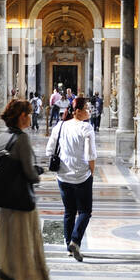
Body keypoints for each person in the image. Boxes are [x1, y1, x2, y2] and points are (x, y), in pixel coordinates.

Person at [0, 99, 55, 280]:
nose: (30, 117)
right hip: (21, 205)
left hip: (2, 204)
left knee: (1, 248)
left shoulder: (0, 138)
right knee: (26, 247)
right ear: (22, 116)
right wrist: (38, 172)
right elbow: (30, 174)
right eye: (29, 114)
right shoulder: (22, 139)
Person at [46, 94, 96, 261]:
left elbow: (49, 150)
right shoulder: (86, 128)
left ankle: (69, 245)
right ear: (79, 111)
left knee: (69, 211)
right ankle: (75, 240)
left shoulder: (60, 126)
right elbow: (90, 155)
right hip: (82, 175)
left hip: (63, 175)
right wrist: (91, 173)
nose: (89, 111)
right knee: (85, 211)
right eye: (87, 108)